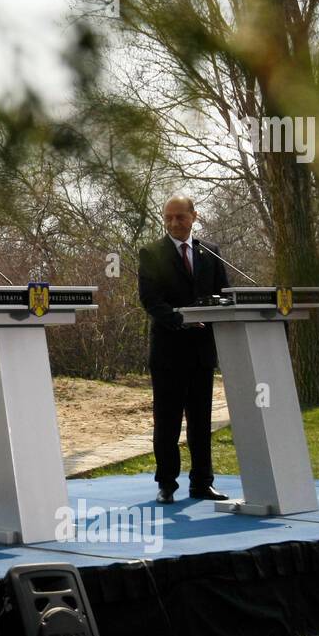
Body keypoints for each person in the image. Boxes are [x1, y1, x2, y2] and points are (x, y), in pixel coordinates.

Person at [137, 194, 230, 504]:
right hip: (168, 352)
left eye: (180, 217)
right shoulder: (151, 253)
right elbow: (151, 301)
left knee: (201, 421)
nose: (174, 223)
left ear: (194, 216)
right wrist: (180, 320)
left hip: (202, 353)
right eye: (169, 218)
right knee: (168, 422)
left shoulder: (212, 253)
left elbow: (223, 297)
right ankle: (167, 484)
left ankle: (202, 482)